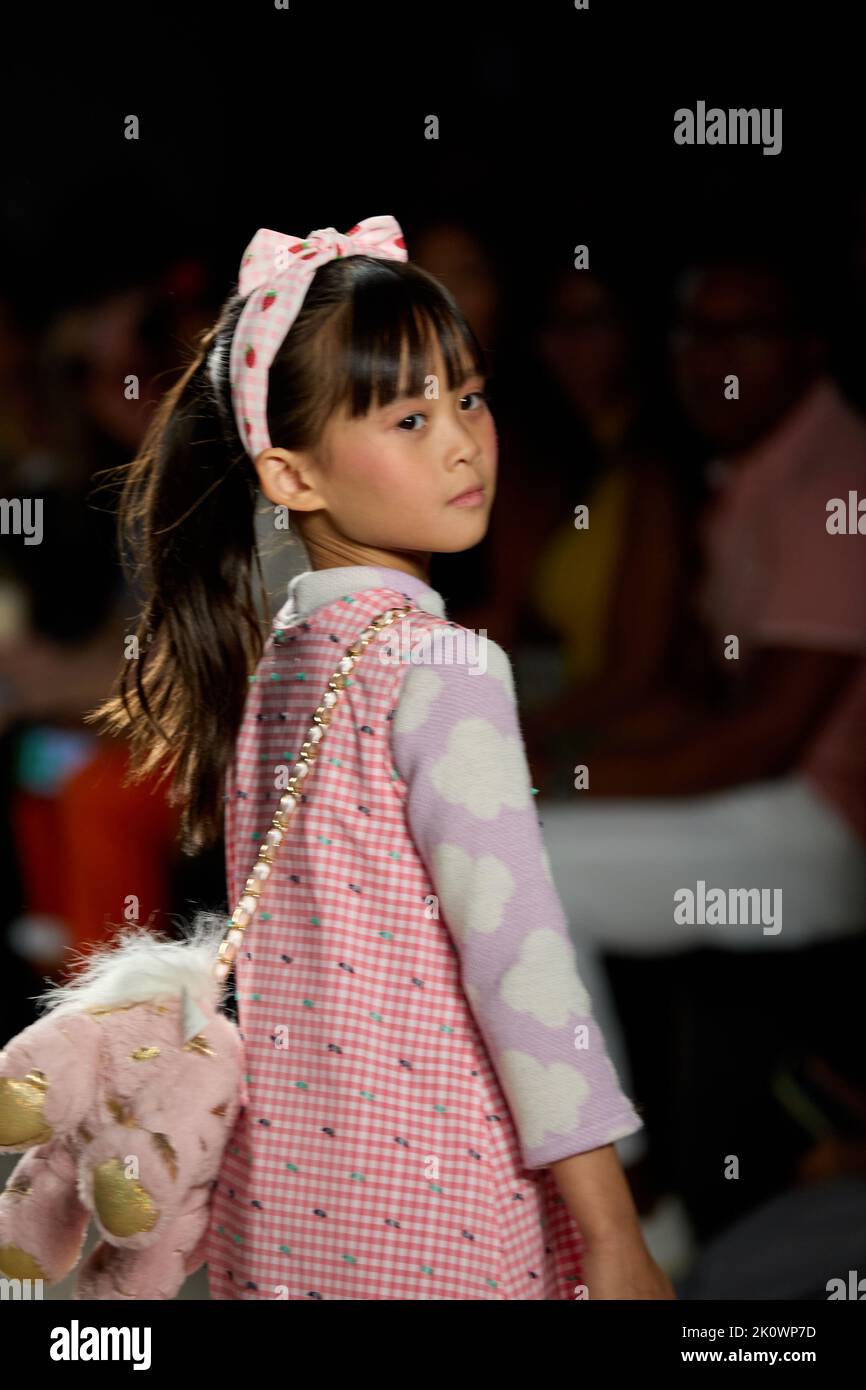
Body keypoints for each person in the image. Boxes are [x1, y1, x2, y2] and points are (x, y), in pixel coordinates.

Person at [84, 216, 673, 1300]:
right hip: (435, 1198)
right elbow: (523, 971)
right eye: (407, 415)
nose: (459, 440)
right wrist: (614, 1232)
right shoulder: (444, 669)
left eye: (468, 396)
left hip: (287, 1204)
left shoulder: (278, 668)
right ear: (291, 477)